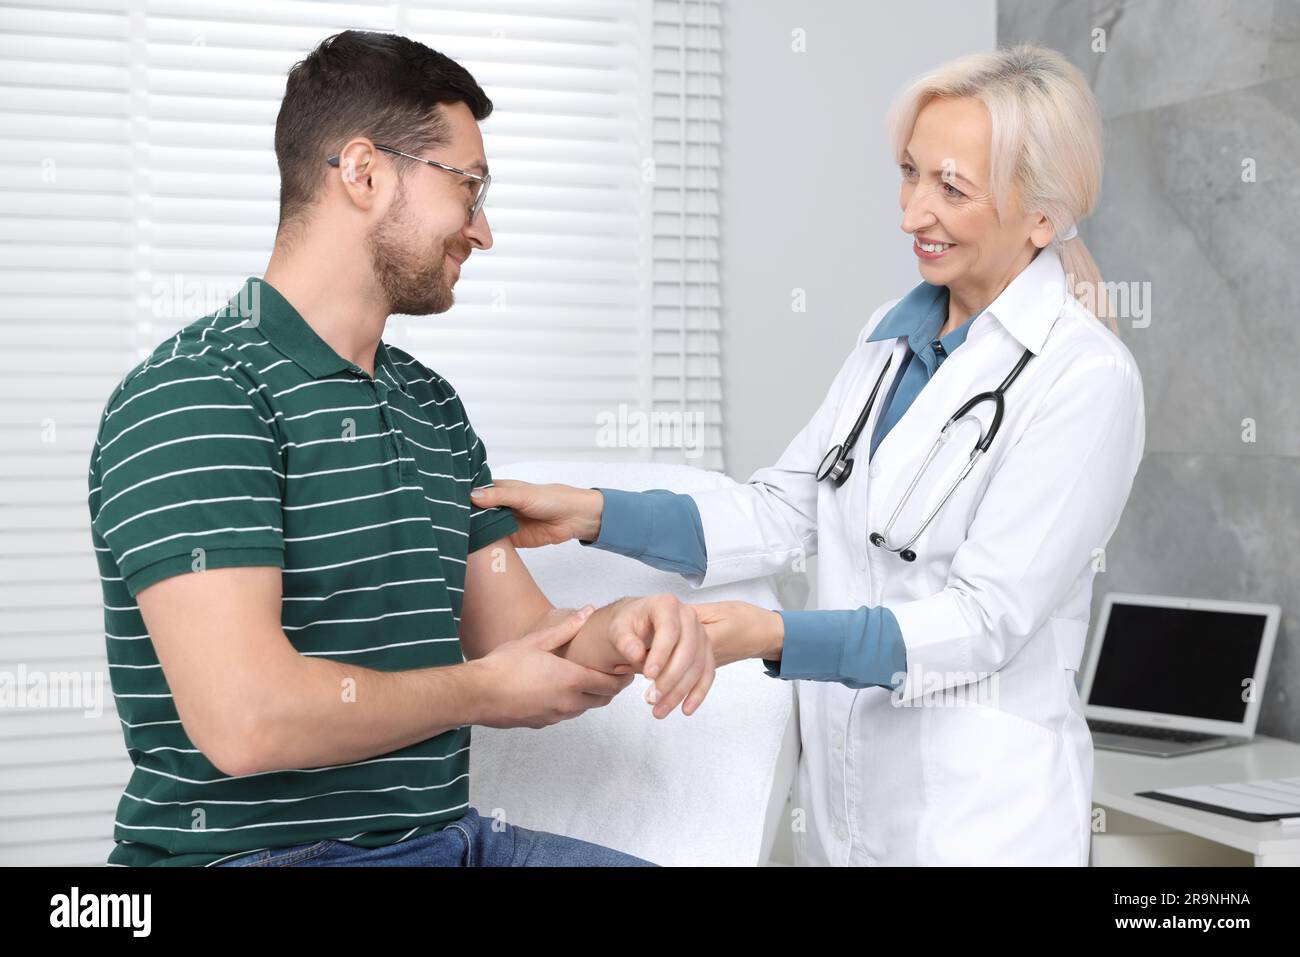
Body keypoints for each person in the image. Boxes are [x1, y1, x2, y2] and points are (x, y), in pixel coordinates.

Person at [472, 45, 1146, 866]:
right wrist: (591, 512)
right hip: (846, 805)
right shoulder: (887, 341)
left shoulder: (1084, 377)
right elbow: (779, 510)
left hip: (983, 818)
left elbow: (981, 623)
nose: (910, 214)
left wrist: (771, 634)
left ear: (1041, 217)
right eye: (909, 173)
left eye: (951, 188)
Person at [87, 30, 715, 867]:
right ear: (365, 172)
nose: (482, 230)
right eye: (469, 188)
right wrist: (480, 692)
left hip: (445, 842)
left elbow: (527, 644)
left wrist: (627, 628)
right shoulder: (198, 395)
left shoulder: (429, 405)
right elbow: (246, 719)